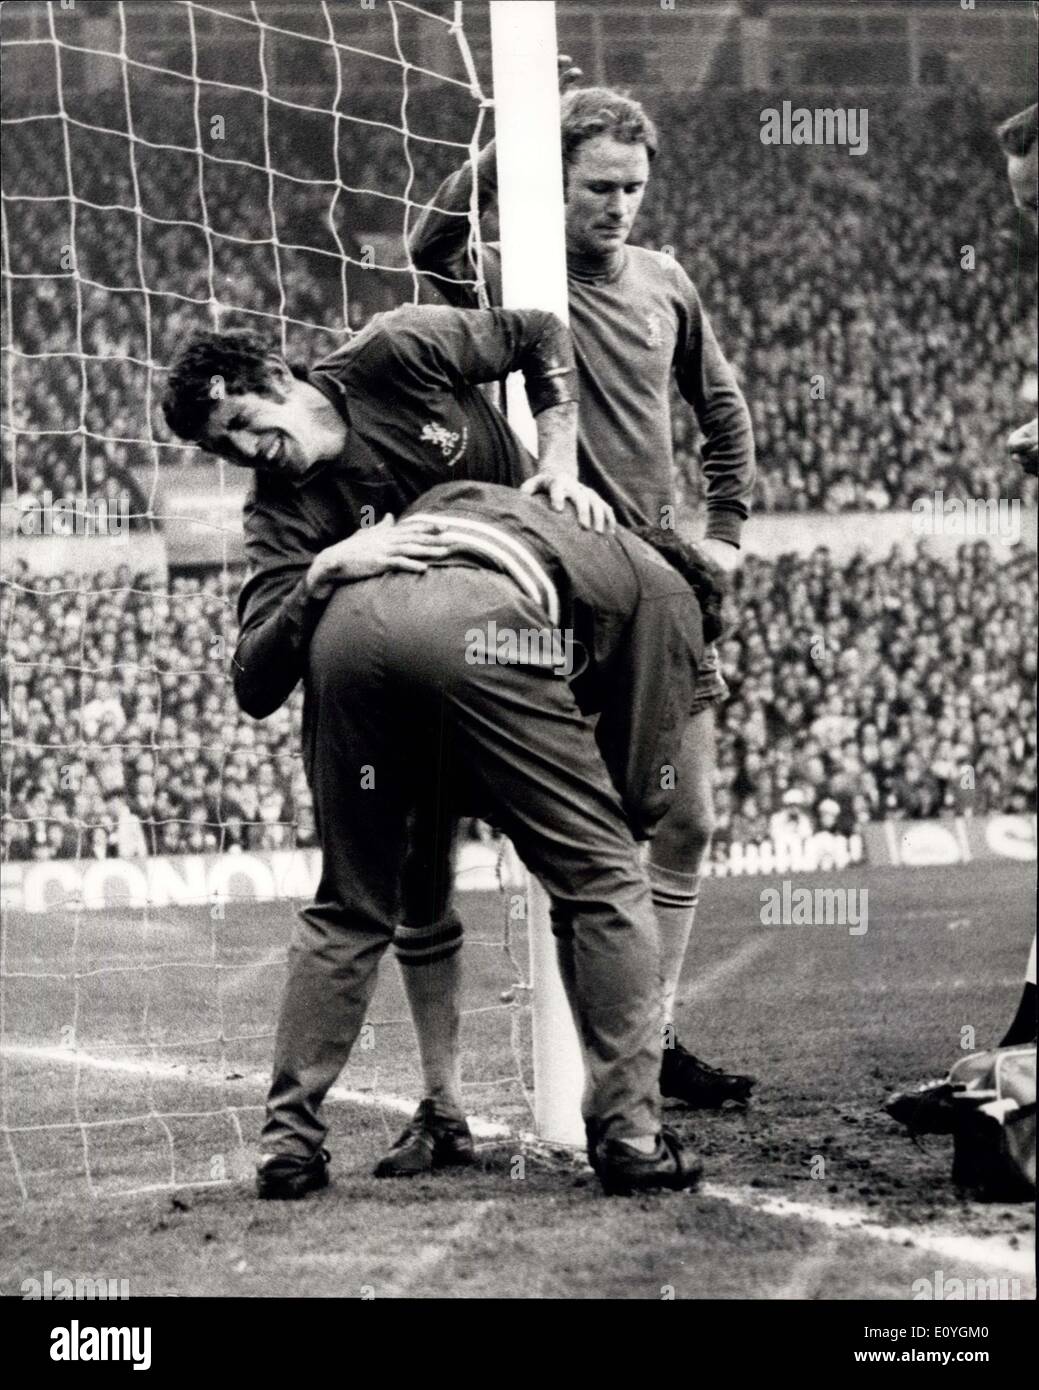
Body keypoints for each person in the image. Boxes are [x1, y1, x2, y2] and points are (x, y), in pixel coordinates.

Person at [406, 80, 757, 1127]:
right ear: (554, 182)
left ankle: (653, 1035)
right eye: (598, 185)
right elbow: (428, 244)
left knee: (688, 815)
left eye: (633, 187)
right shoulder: (517, 276)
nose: (618, 206)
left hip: (666, 574)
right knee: (592, 827)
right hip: (556, 581)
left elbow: (722, 408)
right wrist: (510, 138)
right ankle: (571, 1073)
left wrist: (727, 534)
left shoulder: (665, 280)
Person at [254, 478, 728, 1197]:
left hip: (344, 626)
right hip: (470, 628)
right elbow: (635, 800)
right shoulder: (669, 595)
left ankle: (286, 1148)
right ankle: (631, 1137)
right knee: (605, 878)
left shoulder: (497, 499)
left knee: (349, 904)